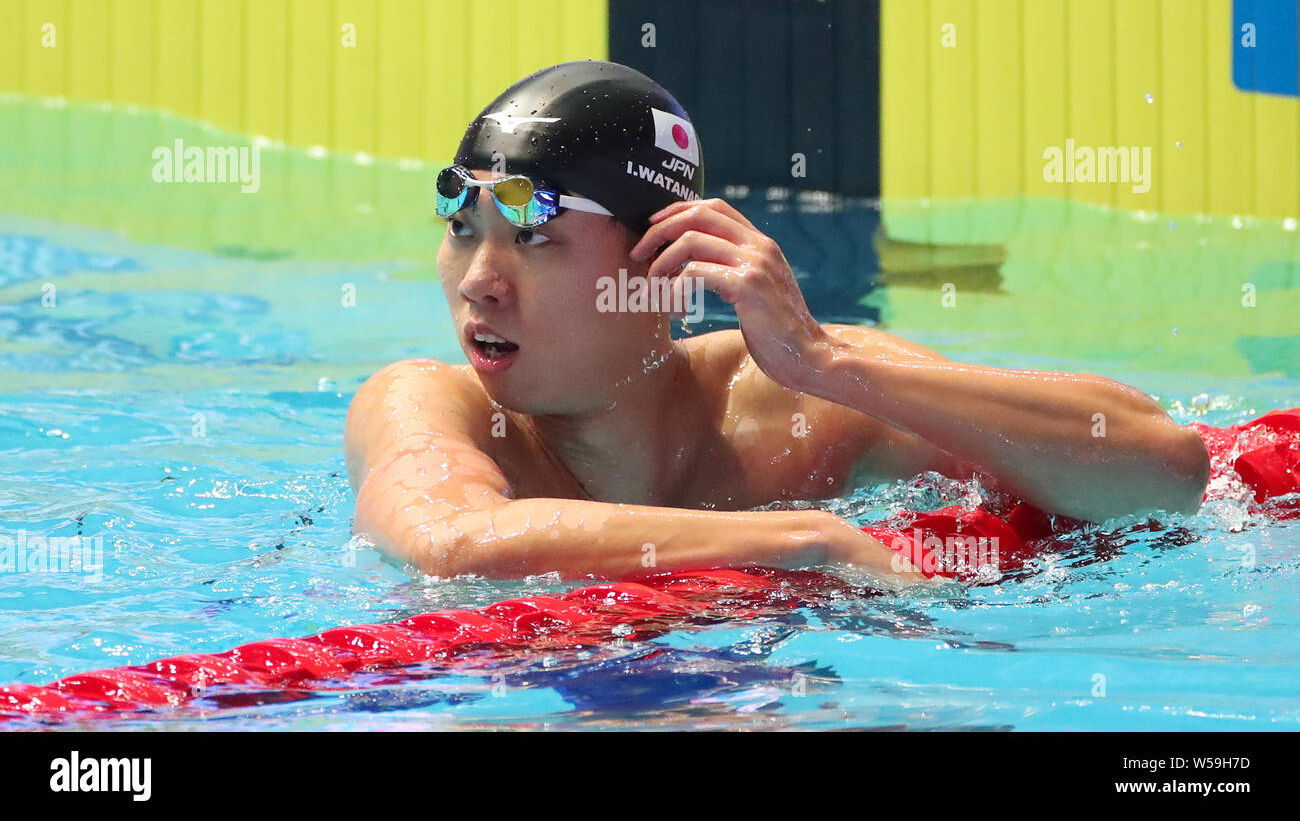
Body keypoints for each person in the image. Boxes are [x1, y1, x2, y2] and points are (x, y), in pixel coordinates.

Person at [344, 59, 1217, 592]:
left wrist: (827, 360)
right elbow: (450, 544)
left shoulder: (792, 406)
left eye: (531, 239)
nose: (480, 284)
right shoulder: (427, 404)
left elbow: (1165, 473)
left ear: (666, 264)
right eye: (462, 232)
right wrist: (809, 542)